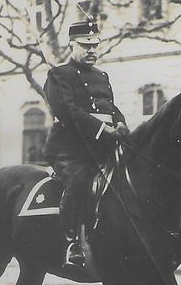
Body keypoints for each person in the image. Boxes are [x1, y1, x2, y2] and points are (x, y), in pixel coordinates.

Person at [44, 20, 128, 269]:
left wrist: (121, 123)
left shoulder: (102, 76)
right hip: (70, 150)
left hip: (104, 148)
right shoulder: (59, 75)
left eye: (95, 46)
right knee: (79, 183)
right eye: (85, 45)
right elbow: (69, 111)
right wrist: (104, 129)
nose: (92, 50)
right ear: (72, 46)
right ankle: (71, 243)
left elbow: (110, 107)